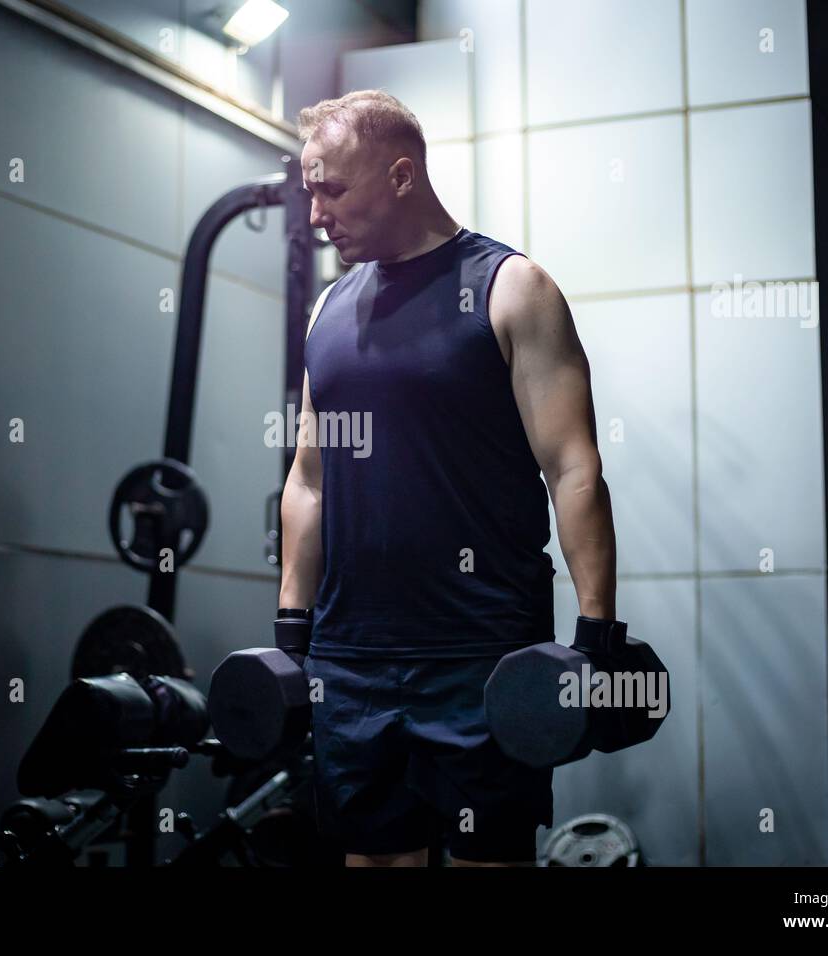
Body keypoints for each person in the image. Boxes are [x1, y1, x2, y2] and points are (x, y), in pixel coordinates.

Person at [277, 90, 619, 867]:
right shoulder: (328, 309)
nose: (316, 212)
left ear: (401, 175)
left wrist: (597, 634)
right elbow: (310, 478)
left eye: (332, 188)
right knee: (372, 858)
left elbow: (573, 466)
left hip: (484, 653)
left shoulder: (512, 288)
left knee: (487, 860)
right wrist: (292, 627)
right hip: (351, 655)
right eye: (308, 190)